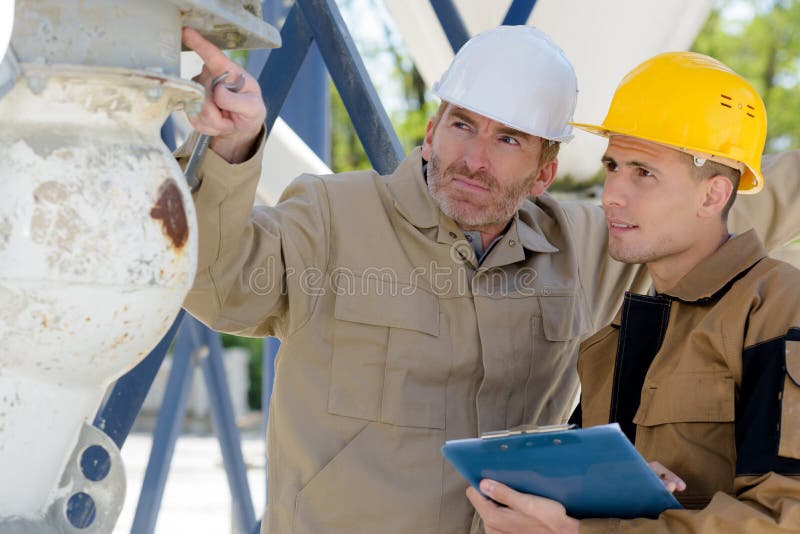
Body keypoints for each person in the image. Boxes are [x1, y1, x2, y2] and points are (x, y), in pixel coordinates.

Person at [180, 24, 800, 533]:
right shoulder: (329, 216)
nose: (475, 159)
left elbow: (710, 207)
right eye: (462, 125)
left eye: (508, 138)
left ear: (544, 172)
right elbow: (217, 285)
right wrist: (233, 151)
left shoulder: (587, 245)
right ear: (431, 132)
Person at [467, 52, 800, 533]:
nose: (610, 195)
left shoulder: (780, 309)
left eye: (644, 172)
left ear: (713, 195)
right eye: (613, 166)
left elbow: (785, 518)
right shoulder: (612, 341)